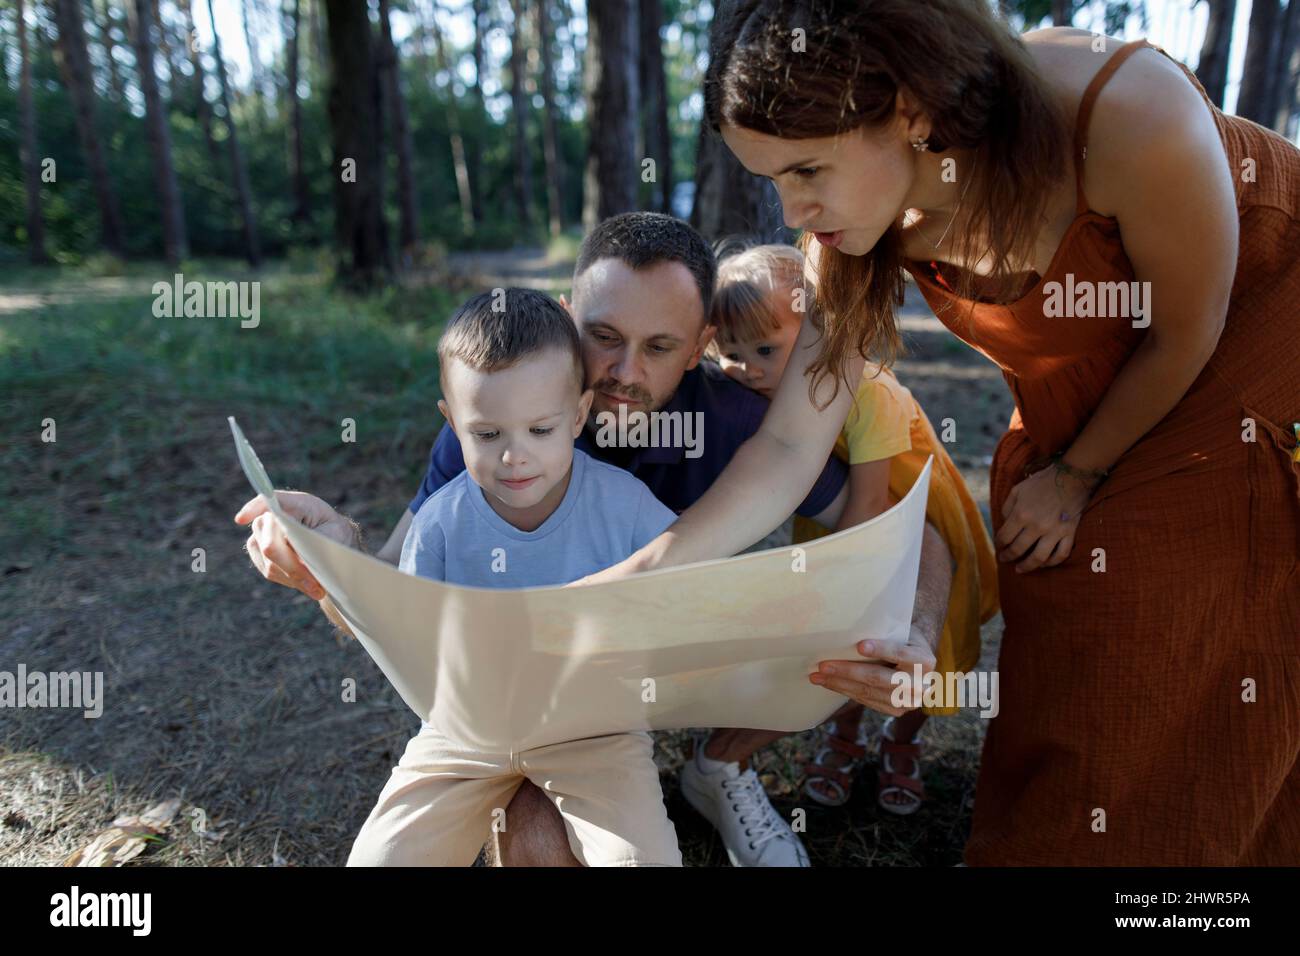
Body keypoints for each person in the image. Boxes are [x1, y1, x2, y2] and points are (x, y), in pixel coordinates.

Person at [575, 5, 1300, 866]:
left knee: (1160, 638)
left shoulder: (1126, 114)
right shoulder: (847, 230)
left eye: (807, 169)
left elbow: (1187, 330)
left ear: (914, 110)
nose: (793, 209)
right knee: (1064, 615)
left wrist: (1075, 477)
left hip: (1247, 351)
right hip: (1089, 382)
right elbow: (786, 446)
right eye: (770, 177)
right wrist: (640, 578)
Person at [237, 212, 959, 866]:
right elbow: (395, 593)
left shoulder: (739, 424)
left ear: (704, 345)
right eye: (604, 338)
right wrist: (329, 556)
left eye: (659, 348)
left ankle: (718, 769)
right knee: (536, 840)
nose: (623, 374)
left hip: (616, 723)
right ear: (566, 314)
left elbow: (915, 537)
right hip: (499, 713)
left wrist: (917, 628)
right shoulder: (500, 425)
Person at [345, 287, 686, 866]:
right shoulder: (440, 523)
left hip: (595, 731)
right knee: (382, 860)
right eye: (487, 434)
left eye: (540, 430)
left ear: (578, 414)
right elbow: (405, 633)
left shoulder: (627, 505)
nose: (514, 456)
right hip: (466, 734)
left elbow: (694, 588)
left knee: (640, 862)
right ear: (452, 424)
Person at [704, 242, 997, 816]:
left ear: (817, 329)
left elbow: (868, 506)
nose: (748, 369)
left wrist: (825, 589)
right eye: (730, 353)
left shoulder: (869, 394)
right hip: (839, 529)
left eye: (766, 349)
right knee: (855, 648)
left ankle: (904, 741)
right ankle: (844, 737)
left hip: (907, 523)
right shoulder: (764, 392)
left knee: (908, 643)